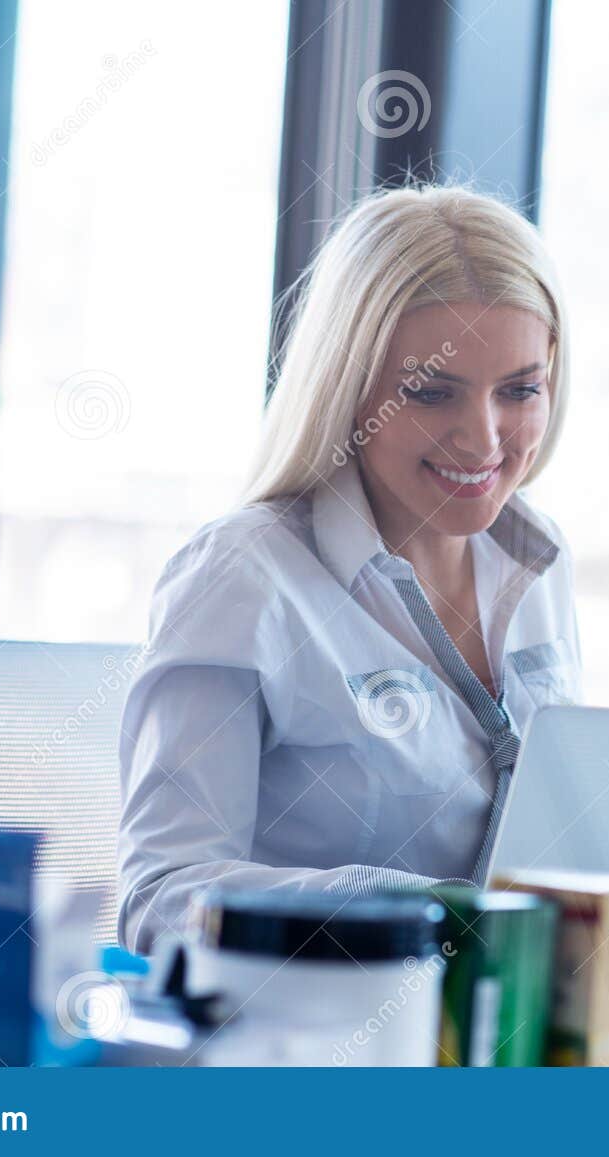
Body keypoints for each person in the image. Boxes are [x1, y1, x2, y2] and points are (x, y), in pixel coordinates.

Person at [116, 185, 580, 953]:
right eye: (432, 393)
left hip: (488, 1037)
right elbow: (163, 899)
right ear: (348, 387)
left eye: (520, 390)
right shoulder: (244, 578)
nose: (484, 438)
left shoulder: (537, 562)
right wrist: (394, 908)